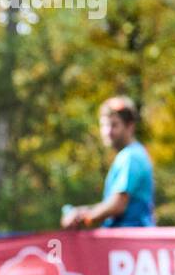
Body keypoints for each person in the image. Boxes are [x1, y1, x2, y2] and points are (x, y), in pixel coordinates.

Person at [62, 96, 155, 229]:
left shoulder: (131, 156)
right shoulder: (132, 154)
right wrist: (83, 211)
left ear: (130, 126)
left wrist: (85, 217)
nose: (107, 131)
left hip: (130, 236)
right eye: (104, 125)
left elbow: (118, 205)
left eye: (114, 125)